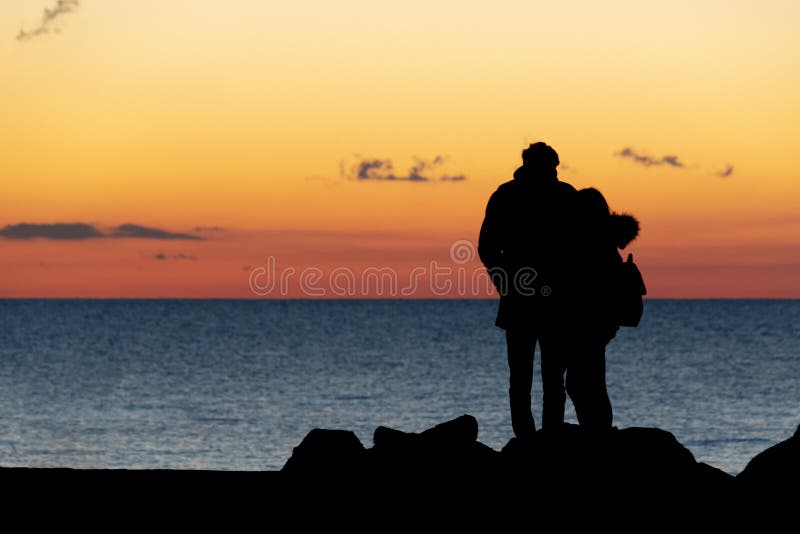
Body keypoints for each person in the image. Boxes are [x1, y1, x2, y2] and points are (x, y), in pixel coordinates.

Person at [478, 142, 578, 439]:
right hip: (528, 300)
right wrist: (506, 283)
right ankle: (531, 440)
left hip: (550, 301)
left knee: (546, 378)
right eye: (550, 169)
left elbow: (581, 247)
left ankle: (546, 438)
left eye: (555, 170)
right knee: (527, 379)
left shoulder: (562, 195)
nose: (554, 175)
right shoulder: (508, 196)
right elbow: (487, 247)